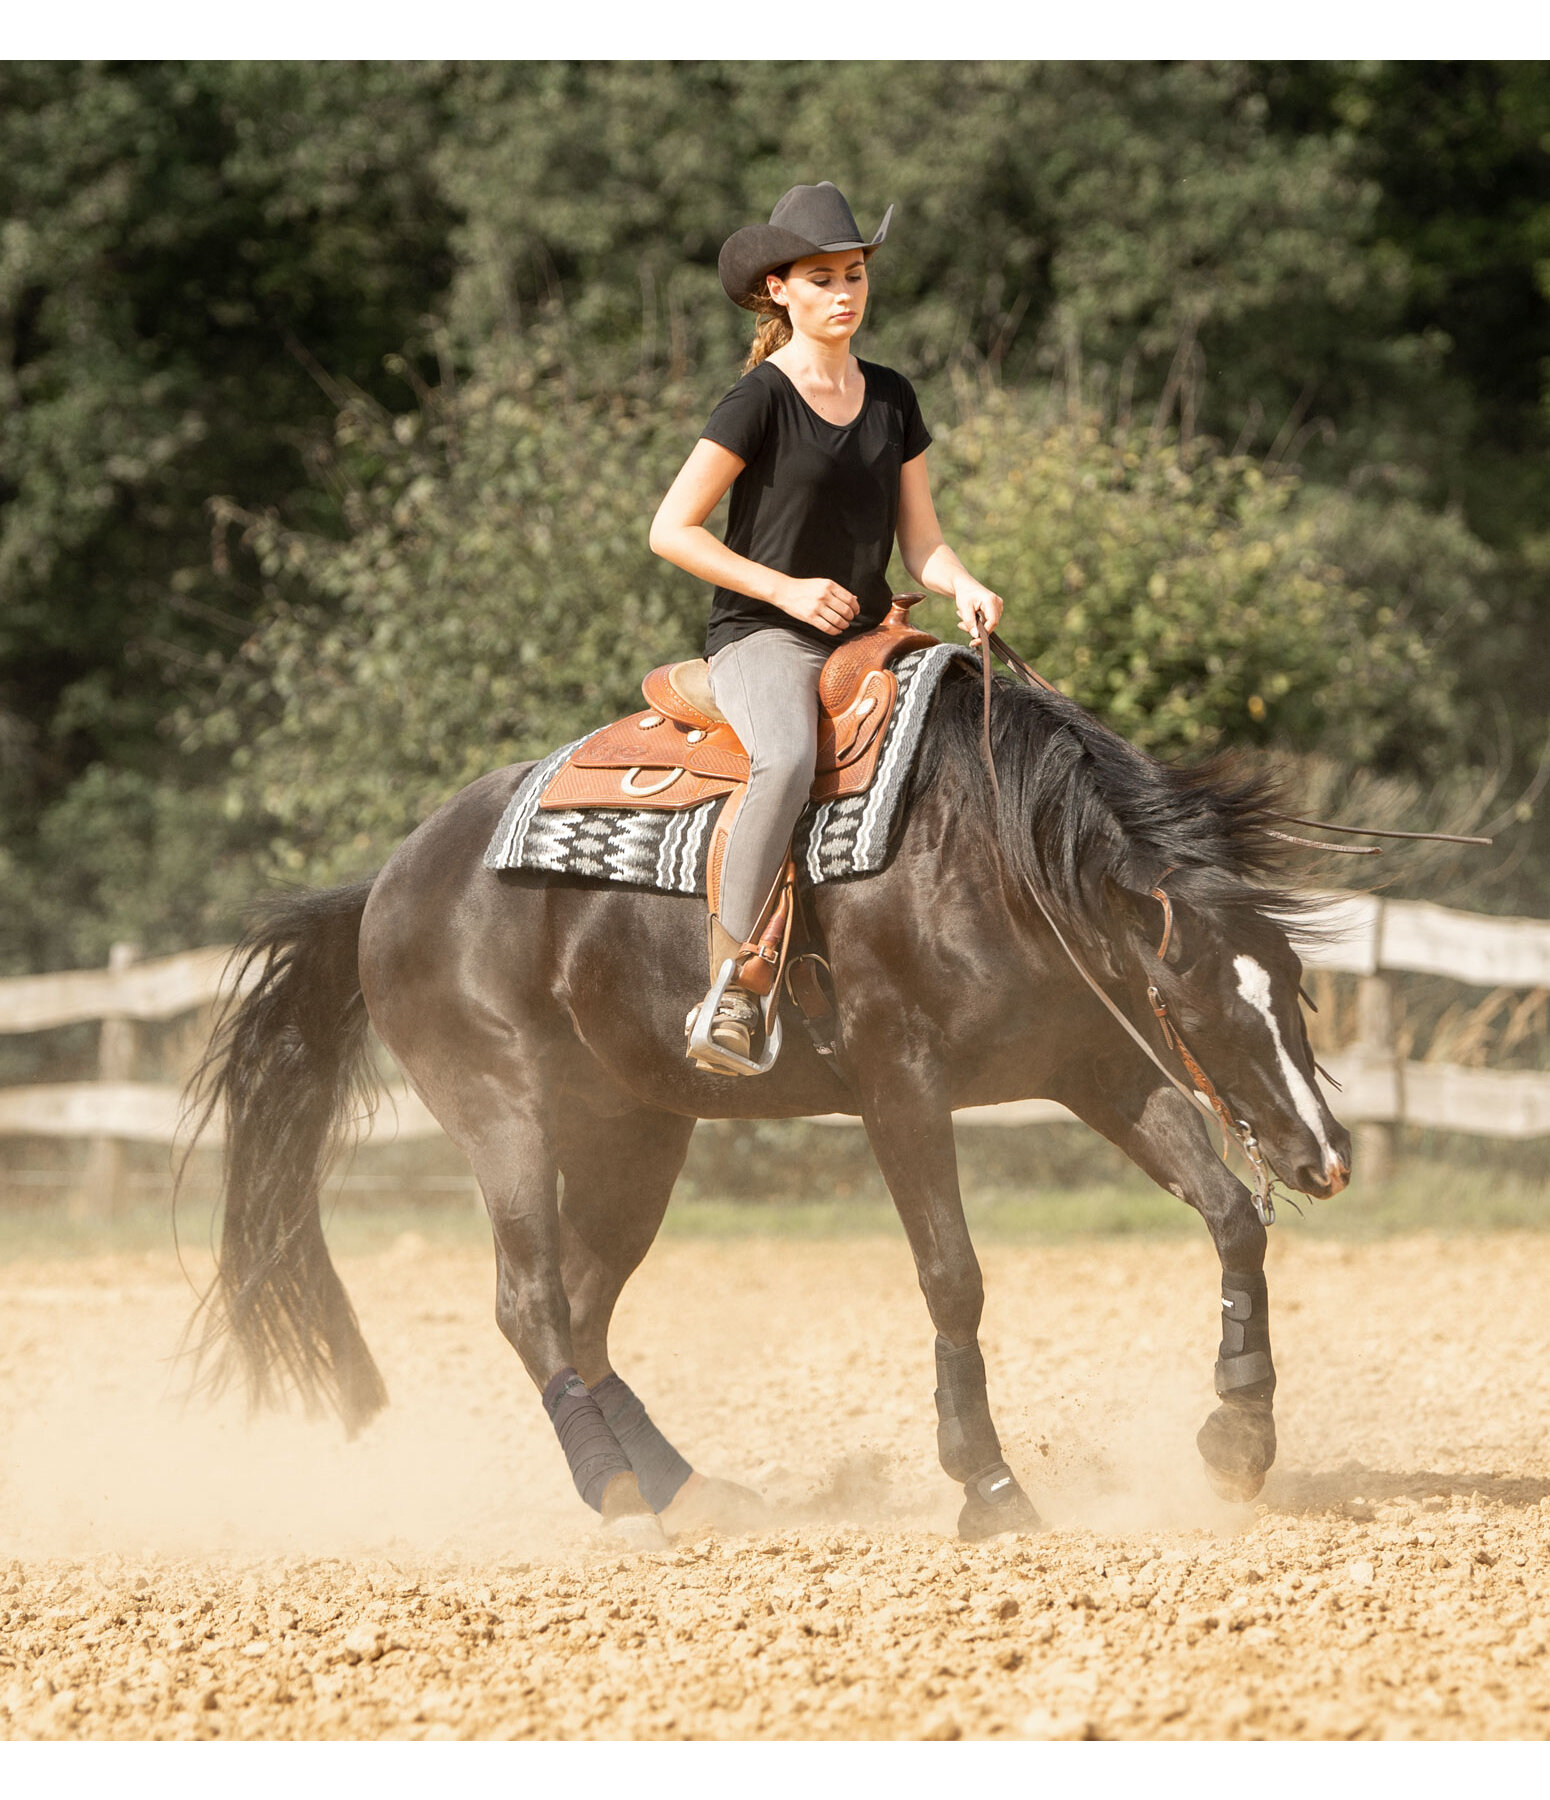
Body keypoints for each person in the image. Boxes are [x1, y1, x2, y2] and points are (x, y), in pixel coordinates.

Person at [650, 181, 1005, 1069]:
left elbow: (922, 541)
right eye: (821, 279)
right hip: (762, 636)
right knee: (788, 758)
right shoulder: (758, 400)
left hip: (865, 638)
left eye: (855, 275)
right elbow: (670, 529)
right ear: (780, 290)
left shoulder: (891, 397)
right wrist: (787, 591)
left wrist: (963, 583)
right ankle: (731, 989)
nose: (844, 294)